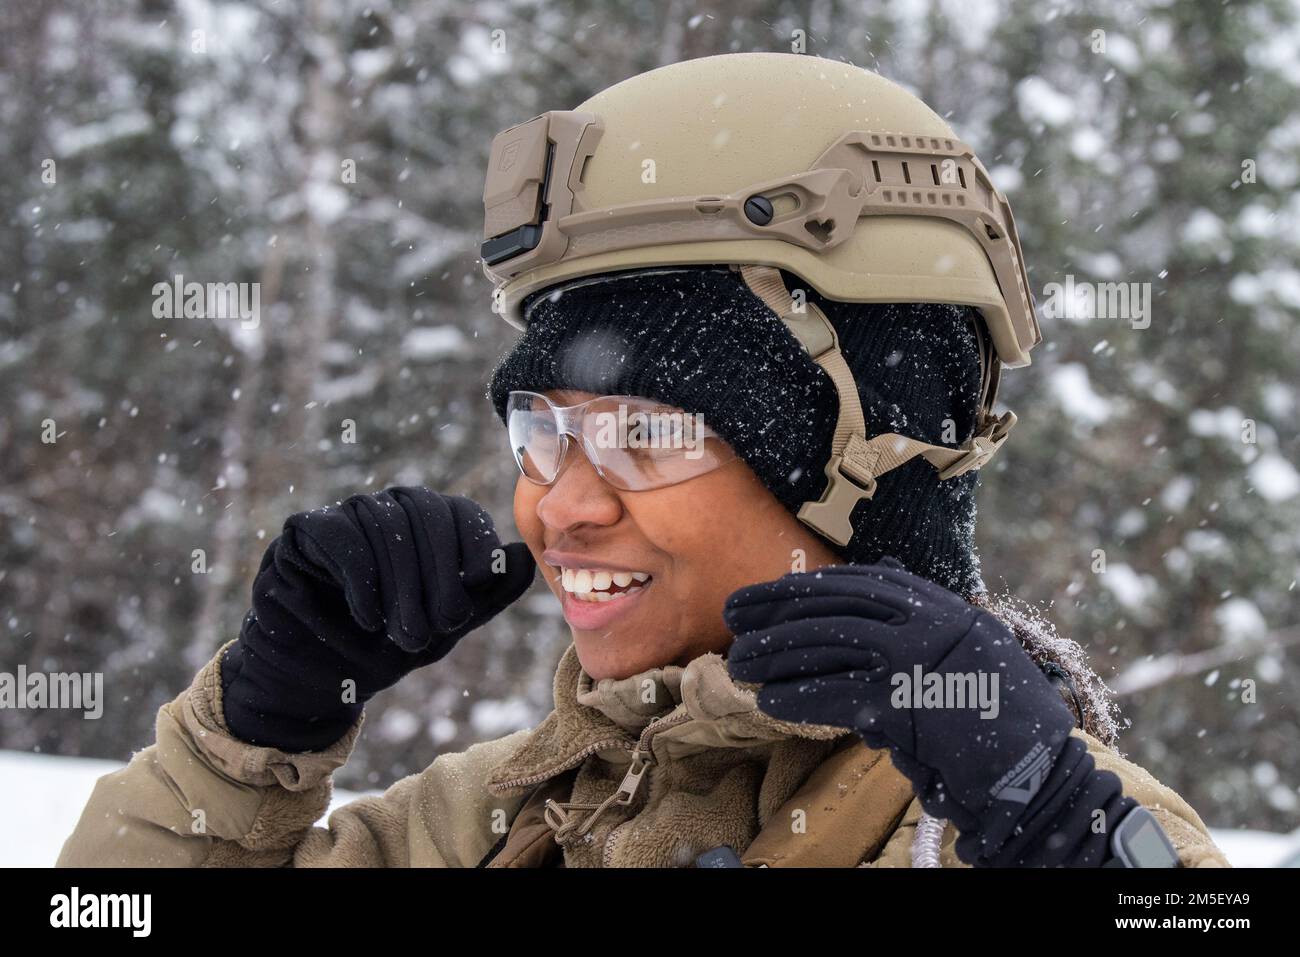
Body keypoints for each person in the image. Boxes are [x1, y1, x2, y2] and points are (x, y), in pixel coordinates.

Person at [58, 52, 1227, 868]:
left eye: (645, 433)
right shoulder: (503, 818)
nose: (558, 504)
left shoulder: (1011, 824)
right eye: (542, 431)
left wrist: (1061, 838)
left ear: (868, 466)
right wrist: (255, 736)